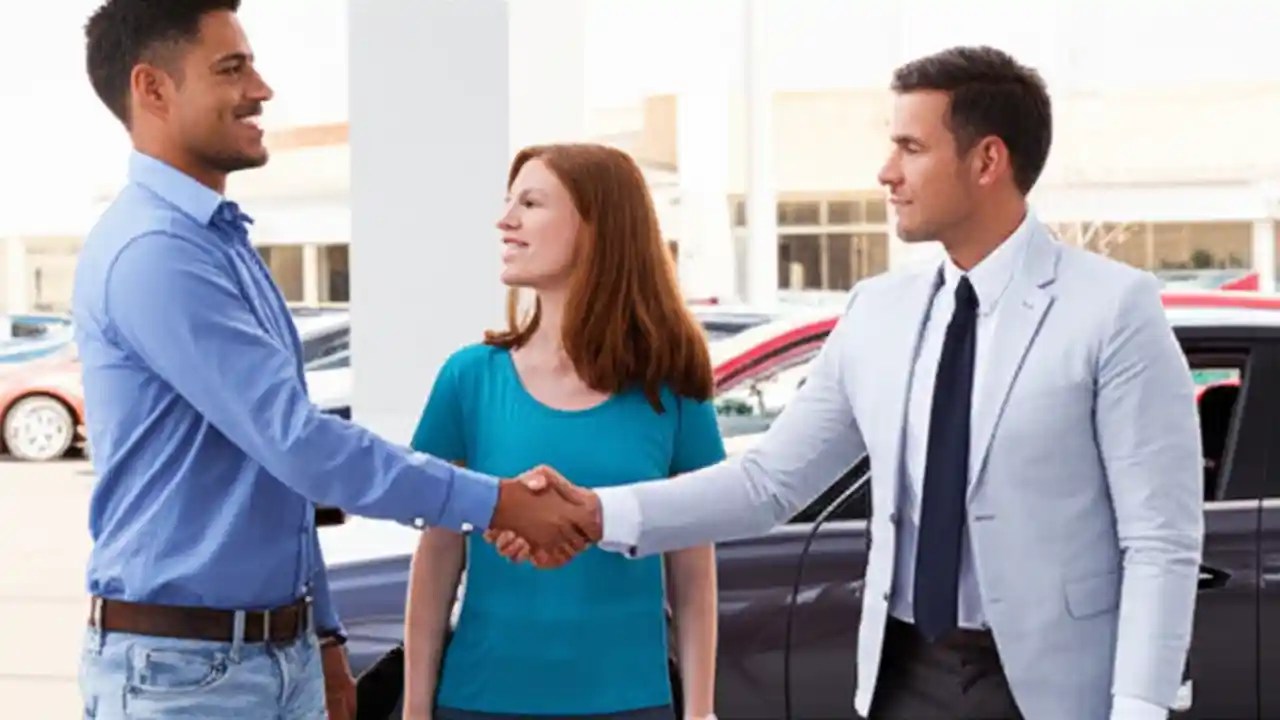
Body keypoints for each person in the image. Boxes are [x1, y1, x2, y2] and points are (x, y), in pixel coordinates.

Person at [507, 46, 1204, 720]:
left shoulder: (1113, 309)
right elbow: (769, 484)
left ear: (988, 159)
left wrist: (1138, 709)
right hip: (904, 675)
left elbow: (1159, 537)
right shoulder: (878, 312)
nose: (885, 172)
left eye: (911, 147)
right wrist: (598, 513)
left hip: (1053, 688)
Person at [74, 3, 595, 718]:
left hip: (268, 658)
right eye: (233, 69)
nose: (261, 89)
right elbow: (300, 445)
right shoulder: (155, 254)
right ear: (152, 89)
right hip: (186, 676)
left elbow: (274, 471)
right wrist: (498, 501)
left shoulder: (217, 242)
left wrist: (321, 636)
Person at [402, 143, 723, 720]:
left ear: (597, 226)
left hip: (631, 704)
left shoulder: (673, 385)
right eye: (508, 203)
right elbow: (437, 554)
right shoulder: (469, 378)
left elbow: (694, 567)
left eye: (530, 202)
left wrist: (699, 713)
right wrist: (415, 709)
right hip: (479, 701)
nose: (506, 221)